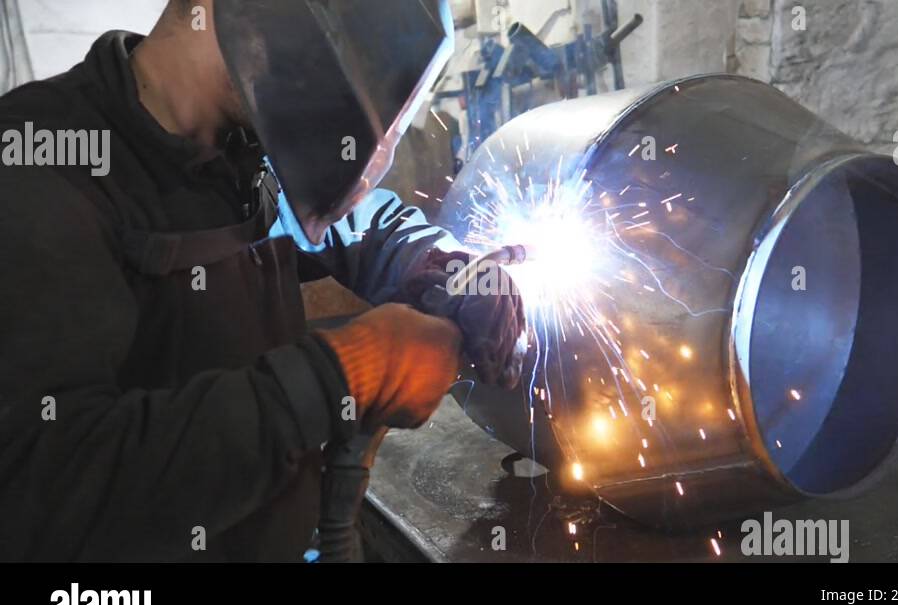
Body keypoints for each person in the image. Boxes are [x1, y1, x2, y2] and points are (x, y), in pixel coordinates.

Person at [0, 0, 524, 561]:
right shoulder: (38, 165)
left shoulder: (250, 141)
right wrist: (339, 376)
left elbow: (356, 221)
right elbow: (46, 490)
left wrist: (438, 261)